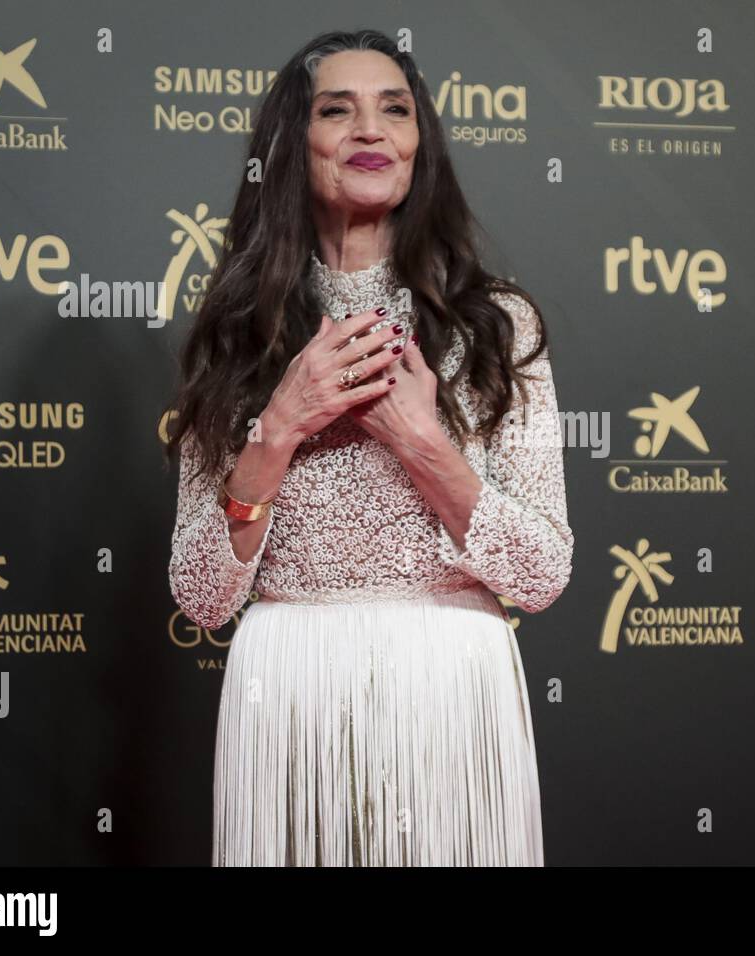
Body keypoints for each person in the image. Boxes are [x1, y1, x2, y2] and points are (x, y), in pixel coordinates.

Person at [165, 29, 573, 866]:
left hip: (450, 697)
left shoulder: (496, 326)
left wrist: (425, 444)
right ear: (293, 143)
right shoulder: (239, 336)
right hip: (288, 695)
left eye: (395, 109)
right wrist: (277, 430)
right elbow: (202, 596)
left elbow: (540, 573)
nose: (370, 130)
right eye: (336, 110)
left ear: (420, 143)